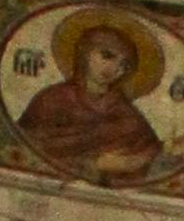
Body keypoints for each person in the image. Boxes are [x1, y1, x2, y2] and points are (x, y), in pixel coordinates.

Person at [15, 18, 170, 182]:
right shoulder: (51, 100)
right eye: (107, 56)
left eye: (123, 65)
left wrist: (170, 149)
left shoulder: (127, 114)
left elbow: (152, 154)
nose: (114, 69)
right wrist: (95, 164)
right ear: (85, 52)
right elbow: (26, 151)